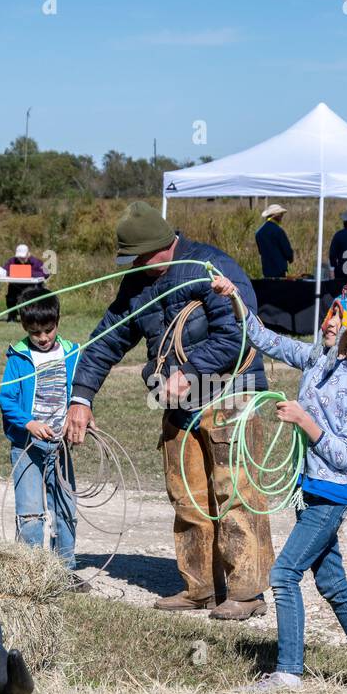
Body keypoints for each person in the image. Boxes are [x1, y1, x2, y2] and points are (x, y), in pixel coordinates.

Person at [63, 201, 275, 621]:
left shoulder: (211, 268)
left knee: (234, 492)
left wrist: (192, 371)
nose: (134, 266)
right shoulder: (138, 283)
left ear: (160, 248)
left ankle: (246, 591)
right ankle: (201, 587)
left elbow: (240, 333)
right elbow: (105, 340)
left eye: (138, 258)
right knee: (186, 493)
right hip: (178, 402)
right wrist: (81, 398)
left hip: (229, 394)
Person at [210, 271, 347, 693]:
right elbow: (265, 338)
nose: (327, 321)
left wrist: (305, 421)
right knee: (330, 581)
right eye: (330, 313)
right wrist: (234, 297)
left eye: (338, 317)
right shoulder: (318, 360)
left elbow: (344, 456)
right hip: (309, 491)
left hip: (330, 496)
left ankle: (288, 673)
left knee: (285, 574)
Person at [0, 286, 86, 588]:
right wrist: (29, 423)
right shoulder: (19, 358)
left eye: (48, 330)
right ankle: (31, 572)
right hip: (27, 447)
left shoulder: (72, 353)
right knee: (31, 513)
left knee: (65, 507)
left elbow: (80, 394)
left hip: (59, 447)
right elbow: (7, 399)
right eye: (36, 332)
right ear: (25, 327)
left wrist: (84, 416)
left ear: (58, 322)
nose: (44, 337)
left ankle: (65, 571)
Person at [3, 244, 50, 320]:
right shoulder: (12, 261)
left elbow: (46, 273)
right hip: (16, 286)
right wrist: (14, 273)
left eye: (23, 257)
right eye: (19, 257)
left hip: (31, 287)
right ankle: (12, 315)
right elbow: (4, 271)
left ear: (28, 254)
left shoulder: (37, 262)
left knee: (31, 295)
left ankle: (31, 316)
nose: (21, 259)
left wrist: (30, 273)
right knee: (10, 296)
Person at [255, 203, 294, 279]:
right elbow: (287, 251)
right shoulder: (278, 231)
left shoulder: (259, 233)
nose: (282, 216)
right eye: (281, 214)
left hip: (266, 269)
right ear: (277, 216)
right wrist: (290, 258)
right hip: (279, 270)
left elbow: (260, 251)